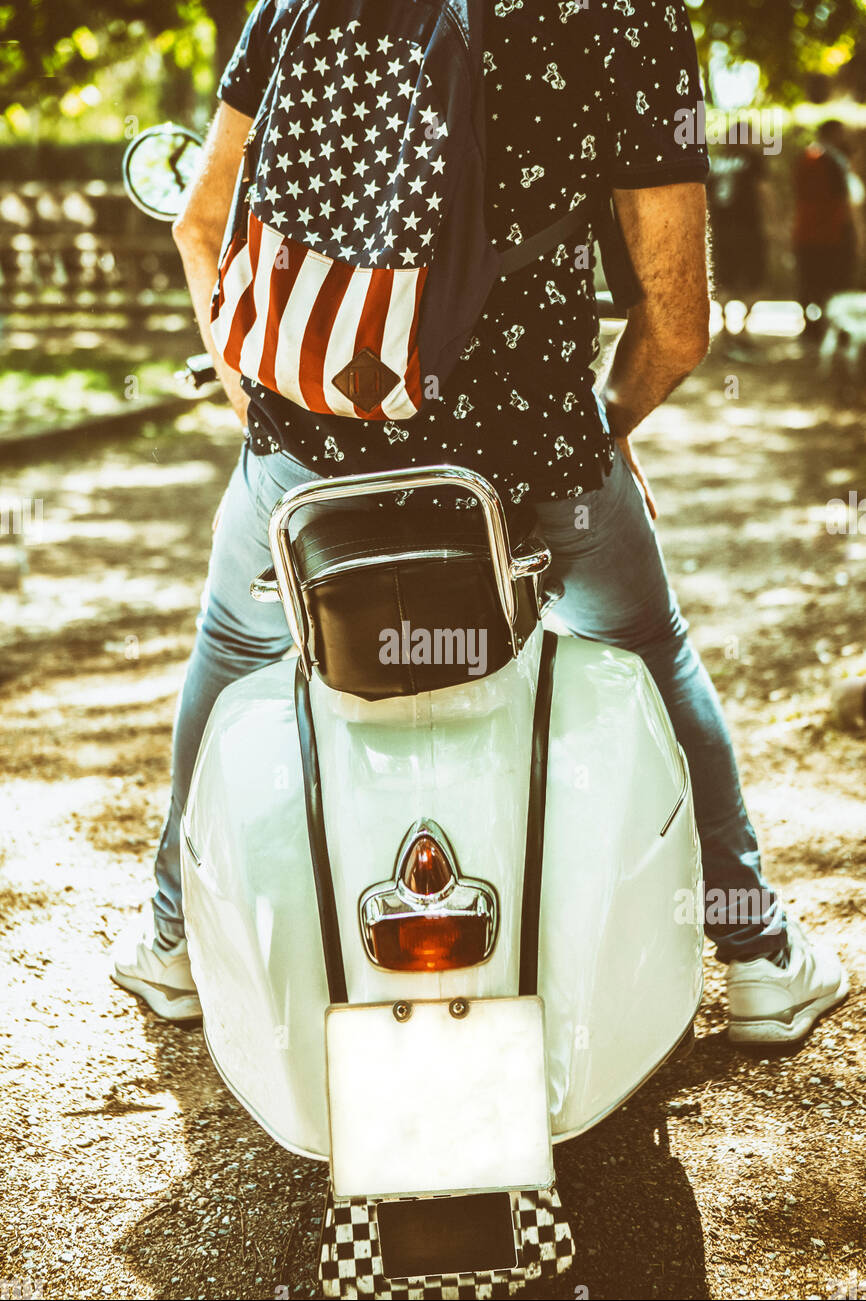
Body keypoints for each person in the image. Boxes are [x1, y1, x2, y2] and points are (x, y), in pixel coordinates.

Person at [113, 0, 848, 1043]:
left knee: (236, 643)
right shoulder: (628, 17)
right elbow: (676, 325)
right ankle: (757, 951)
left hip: (311, 453)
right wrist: (595, 426)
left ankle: (173, 943)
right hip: (525, 462)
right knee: (644, 644)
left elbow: (198, 225)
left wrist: (265, 406)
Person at [793, 119, 859, 340]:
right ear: (834, 134)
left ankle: (811, 327)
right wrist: (857, 231)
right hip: (832, 231)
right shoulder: (834, 160)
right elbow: (846, 199)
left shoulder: (804, 157)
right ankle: (828, 329)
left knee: (809, 280)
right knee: (833, 281)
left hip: (807, 230)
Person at [706, 121, 768, 351]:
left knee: (723, 280)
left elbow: (705, 195)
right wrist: (774, 221)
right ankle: (742, 328)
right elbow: (764, 192)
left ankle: (724, 327)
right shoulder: (752, 159)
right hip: (748, 229)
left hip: (720, 231)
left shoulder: (715, 160)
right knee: (755, 280)